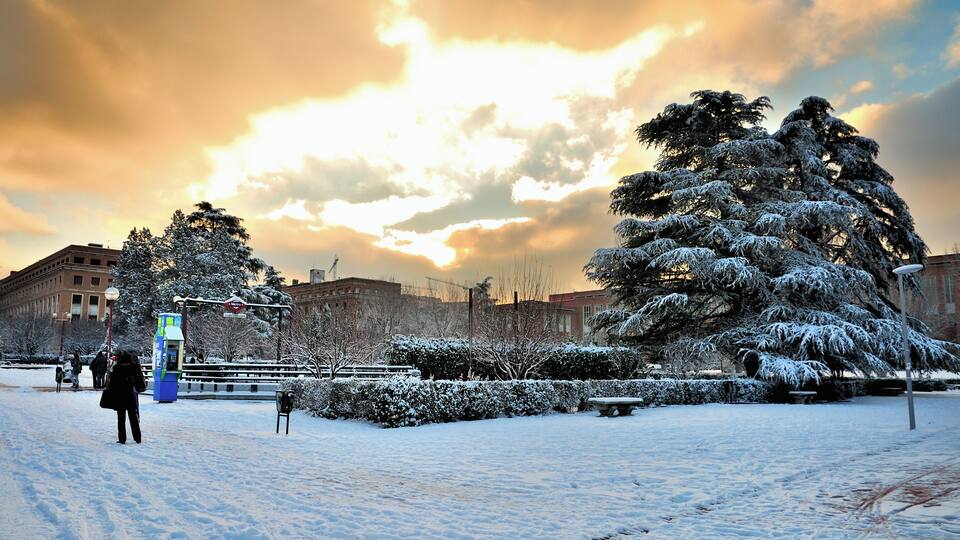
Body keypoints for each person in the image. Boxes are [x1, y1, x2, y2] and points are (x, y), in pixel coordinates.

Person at [104, 351, 146, 444]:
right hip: (131, 395)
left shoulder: (117, 368)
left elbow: (112, 384)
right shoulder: (135, 368)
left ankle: (122, 438)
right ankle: (137, 438)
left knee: (121, 419)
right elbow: (139, 381)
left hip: (120, 396)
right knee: (133, 417)